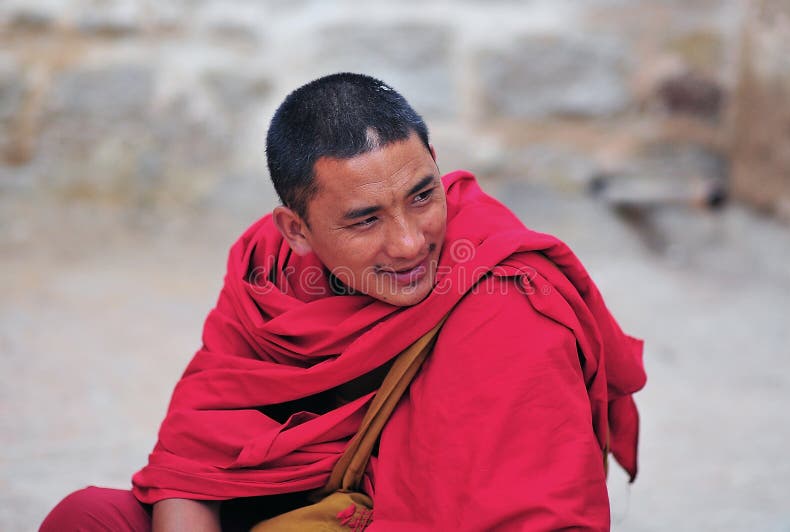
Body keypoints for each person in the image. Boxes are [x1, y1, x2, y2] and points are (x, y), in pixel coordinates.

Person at [41, 72, 646, 531]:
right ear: (296, 230)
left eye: (421, 196)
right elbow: (196, 454)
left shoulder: (505, 300)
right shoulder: (267, 274)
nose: (410, 243)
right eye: (365, 220)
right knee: (87, 517)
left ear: (436, 167)